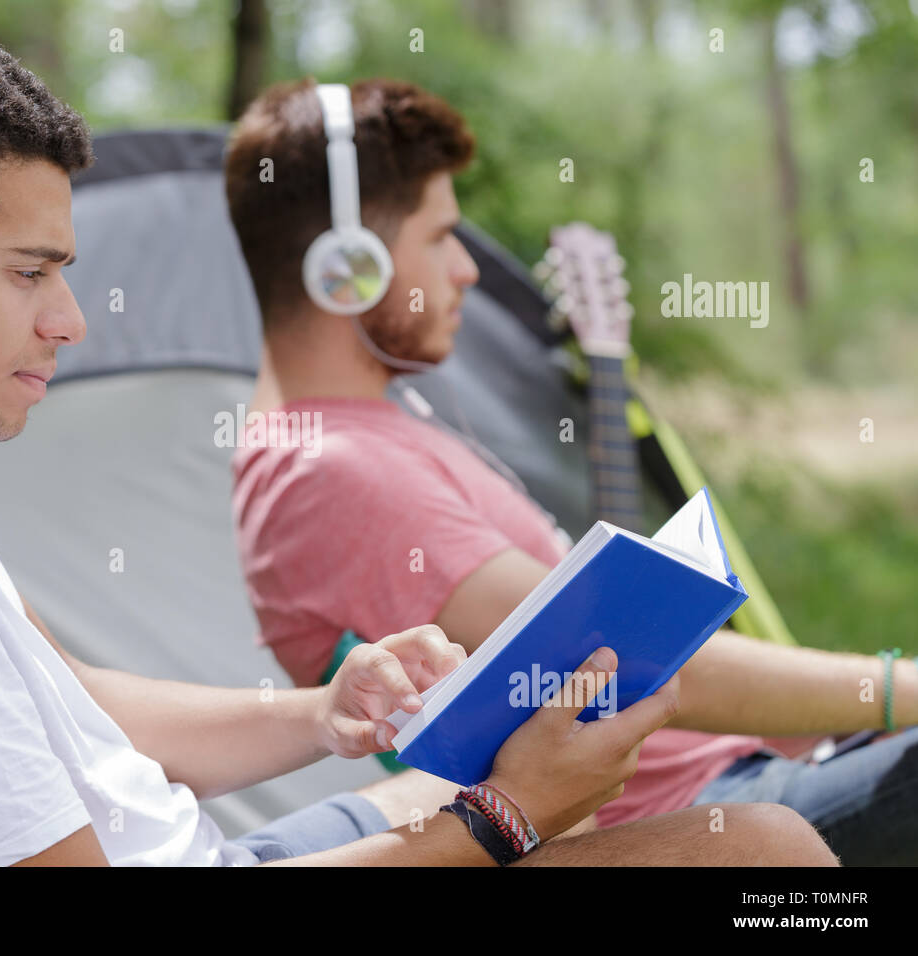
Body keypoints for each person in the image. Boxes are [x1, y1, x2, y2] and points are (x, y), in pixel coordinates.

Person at [0, 31, 835, 867]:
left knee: (458, 768)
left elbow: (72, 702)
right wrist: (506, 819)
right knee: (766, 850)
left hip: (210, 843)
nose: (69, 319)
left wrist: (321, 714)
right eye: (29, 273)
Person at [225, 77, 918, 865]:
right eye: (440, 235)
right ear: (349, 267)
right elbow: (621, 661)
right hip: (683, 817)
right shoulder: (332, 473)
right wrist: (897, 686)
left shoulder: (362, 439)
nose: (467, 271)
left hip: (729, 778)